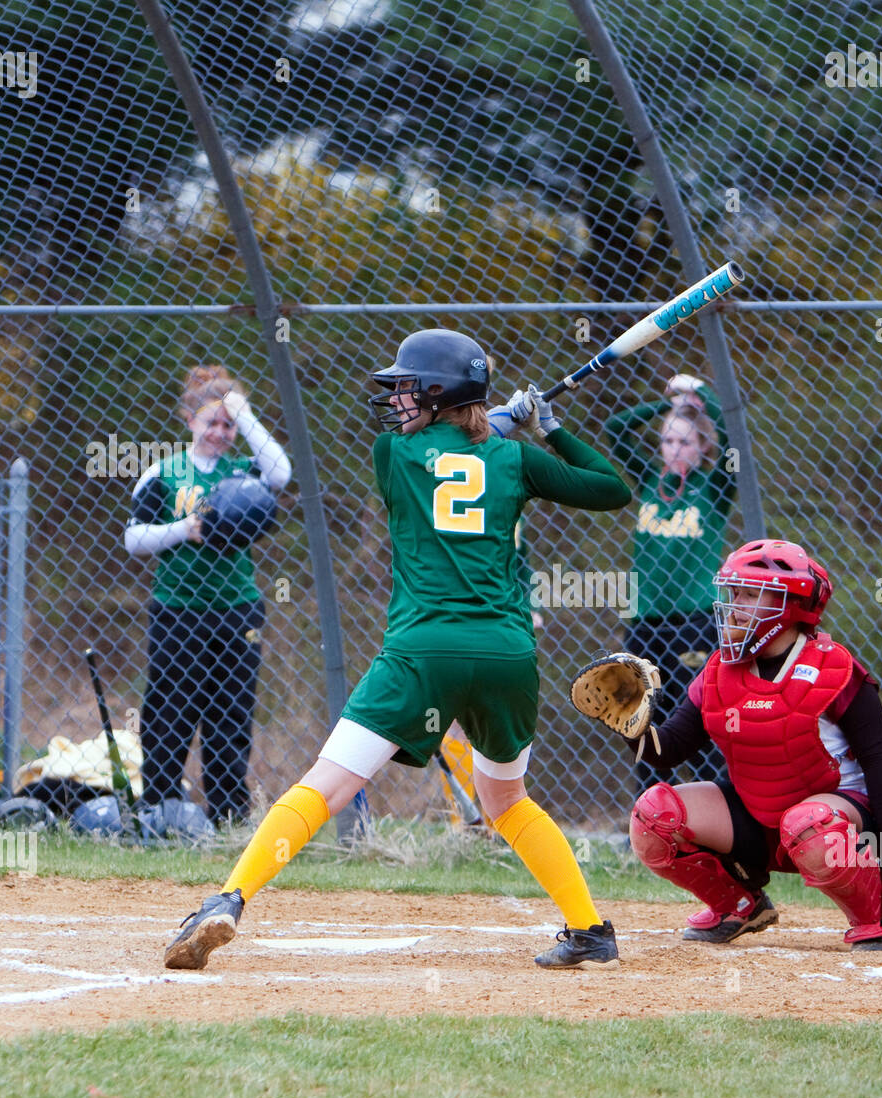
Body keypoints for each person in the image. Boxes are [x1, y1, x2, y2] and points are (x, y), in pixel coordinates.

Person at [163, 329, 633, 971]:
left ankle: (228, 900)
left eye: (411, 388)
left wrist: (494, 426)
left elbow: (440, 454)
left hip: (422, 652)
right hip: (507, 653)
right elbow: (609, 489)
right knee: (508, 801)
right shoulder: (515, 459)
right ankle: (590, 930)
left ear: (441, 396)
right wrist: (546, 430)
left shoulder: (393, 454)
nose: (399, 400)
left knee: (326, 784)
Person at [578, 539, 882, 952]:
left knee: (807, 824)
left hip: (836, 820)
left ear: (789, 604)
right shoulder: (721, 669)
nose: (733, 604)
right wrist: (632, 725)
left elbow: (881, 764)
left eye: (748, 594)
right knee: (653, 815)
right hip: (759, 816)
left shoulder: (835, 668)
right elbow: (666, 755)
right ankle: (739, 905)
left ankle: (870, 916)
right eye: (733, 593)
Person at [125, 366, 291, 824]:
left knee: (230, 712)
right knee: (169, 709)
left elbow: (281, 471)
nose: (219, 432)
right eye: (210, 421)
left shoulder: (245, 470)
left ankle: (228, 813)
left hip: (237, 607)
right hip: (178, 609)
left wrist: (245, 412)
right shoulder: (164, 472)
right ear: (188, 419)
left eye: (227, 424)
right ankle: (159, 807)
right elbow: (133, 539)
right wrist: (184, 529)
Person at [603, 375, 735, 790]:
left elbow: (734, 444)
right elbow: (615, 429)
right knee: (642, 714)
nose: (674, 450)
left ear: (703, 447)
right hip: (645, 619)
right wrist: (668, 406)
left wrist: (702, 396)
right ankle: (651, 809)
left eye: (685, 442)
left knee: (693, 713)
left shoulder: (713, 488)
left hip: (693, 618)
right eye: (667, 442)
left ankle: (708, 808)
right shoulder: (650, 482)